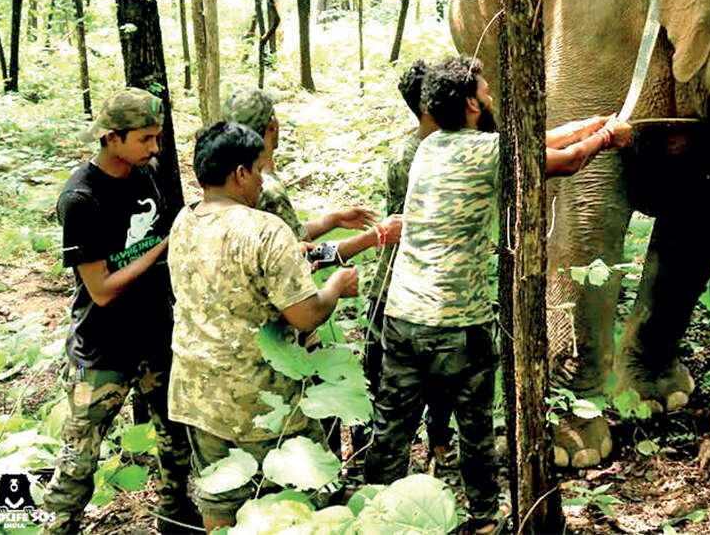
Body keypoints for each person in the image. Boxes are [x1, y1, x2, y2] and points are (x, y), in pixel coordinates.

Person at [364, 56, 634, 535]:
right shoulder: (486, 153)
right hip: (456, 326)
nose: (490, 101)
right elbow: (565, 161)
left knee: (391, 428)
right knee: (475, 431)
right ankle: (485, 521)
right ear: (470, 104)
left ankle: (371, 515)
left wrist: (589, 124)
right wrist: (608, 139)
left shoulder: (429, 148)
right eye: (486, 95)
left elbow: (532, 143)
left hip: (402, 317)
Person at [166, 121, 359, 532]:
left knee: (220, 492)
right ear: (239, 174)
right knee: (309, 493)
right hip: (261, 394)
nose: (261, 179)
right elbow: (305, 315)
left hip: (197, 391)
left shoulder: (184, 222)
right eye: (258, 169)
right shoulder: (264, 230)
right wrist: (336, 286)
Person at [43, 88, 197, 535]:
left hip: (154, 336)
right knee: (78, 462)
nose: (155, 150)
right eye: (146, 139)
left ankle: (175, 514)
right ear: (112, 138)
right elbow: (102, 289)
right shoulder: (81, 199)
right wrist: (165, 245)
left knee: (176, 440)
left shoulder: (142, 175)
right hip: (104, 352)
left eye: (158, 138)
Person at [360, 60, 452, 465]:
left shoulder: (449, 146)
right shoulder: (411, 156)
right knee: (380, 372)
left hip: (437, 282)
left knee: (443, 372)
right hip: (396, 282)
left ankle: (438, 440)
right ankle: (371, 450)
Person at [221, 89, 401, 264]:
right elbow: (303, 259)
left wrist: (332, 220)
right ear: (273, 125)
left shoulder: (228, 178)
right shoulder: (266, 188)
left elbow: (288, 237)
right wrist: (373, 237)